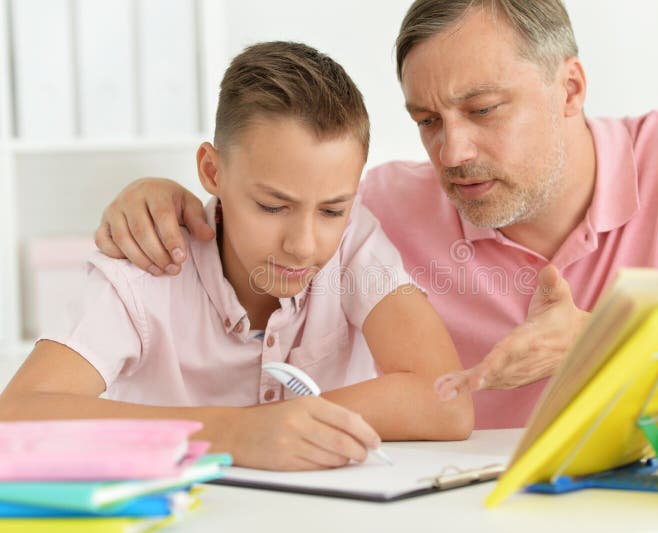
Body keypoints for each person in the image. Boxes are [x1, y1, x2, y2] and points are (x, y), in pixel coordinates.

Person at [91, 1, 658, 429]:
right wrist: (162, 197)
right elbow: (276, 205)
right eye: (427, 119)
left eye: (483, 110)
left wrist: (613, 343)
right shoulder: (385, 206)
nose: (451, 151)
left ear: (571, 88)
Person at [0, 41, 474, 470]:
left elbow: (448, 401)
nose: (304, 245)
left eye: (332, 209)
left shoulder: (355, 243)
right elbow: (15, 420)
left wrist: (276, 423)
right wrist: (233, 434)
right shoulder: (146, 263)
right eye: (272, 206)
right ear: (212, 171)